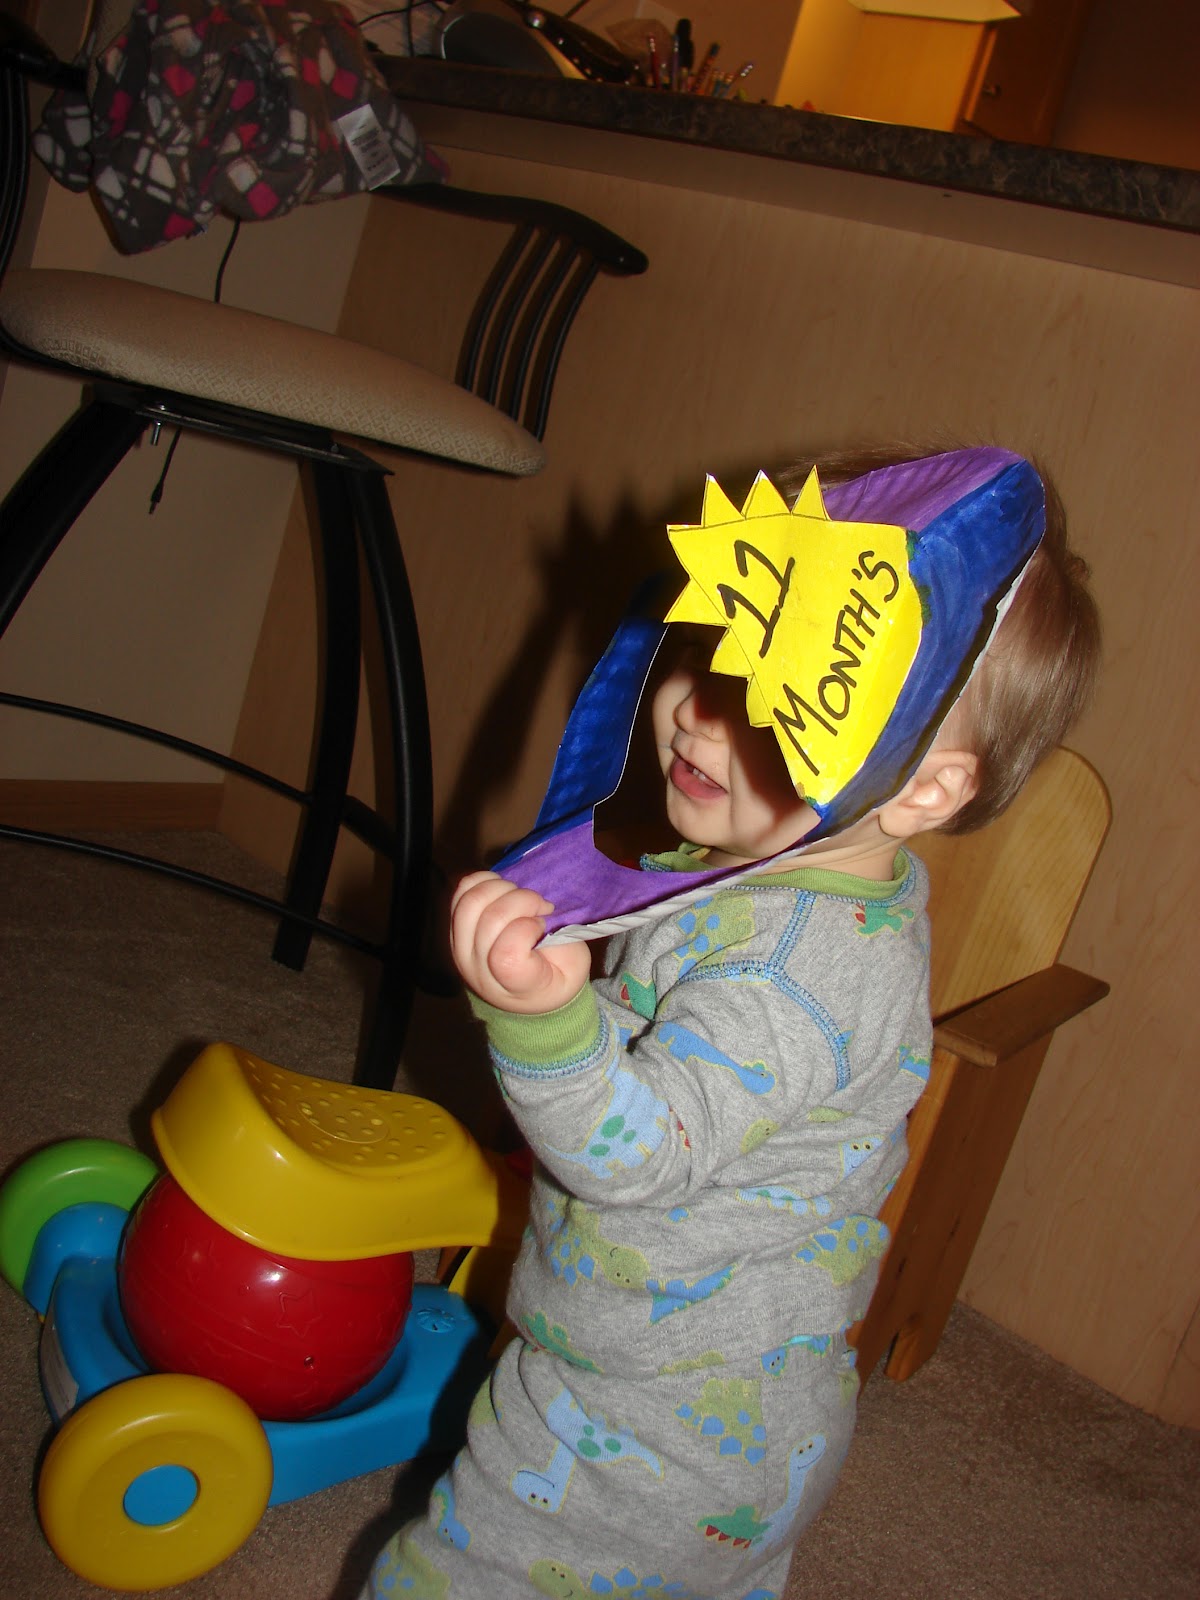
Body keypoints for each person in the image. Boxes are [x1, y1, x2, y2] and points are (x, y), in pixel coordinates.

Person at [360, 447, 1100, 1600]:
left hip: (650, 1423)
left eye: (785, 696)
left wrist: (548, 1021)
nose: (703, 710)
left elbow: (642, 1150)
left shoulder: (795, 965)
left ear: (920, 790)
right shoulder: (786, 871)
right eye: (713, 647)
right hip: (731, 1403)